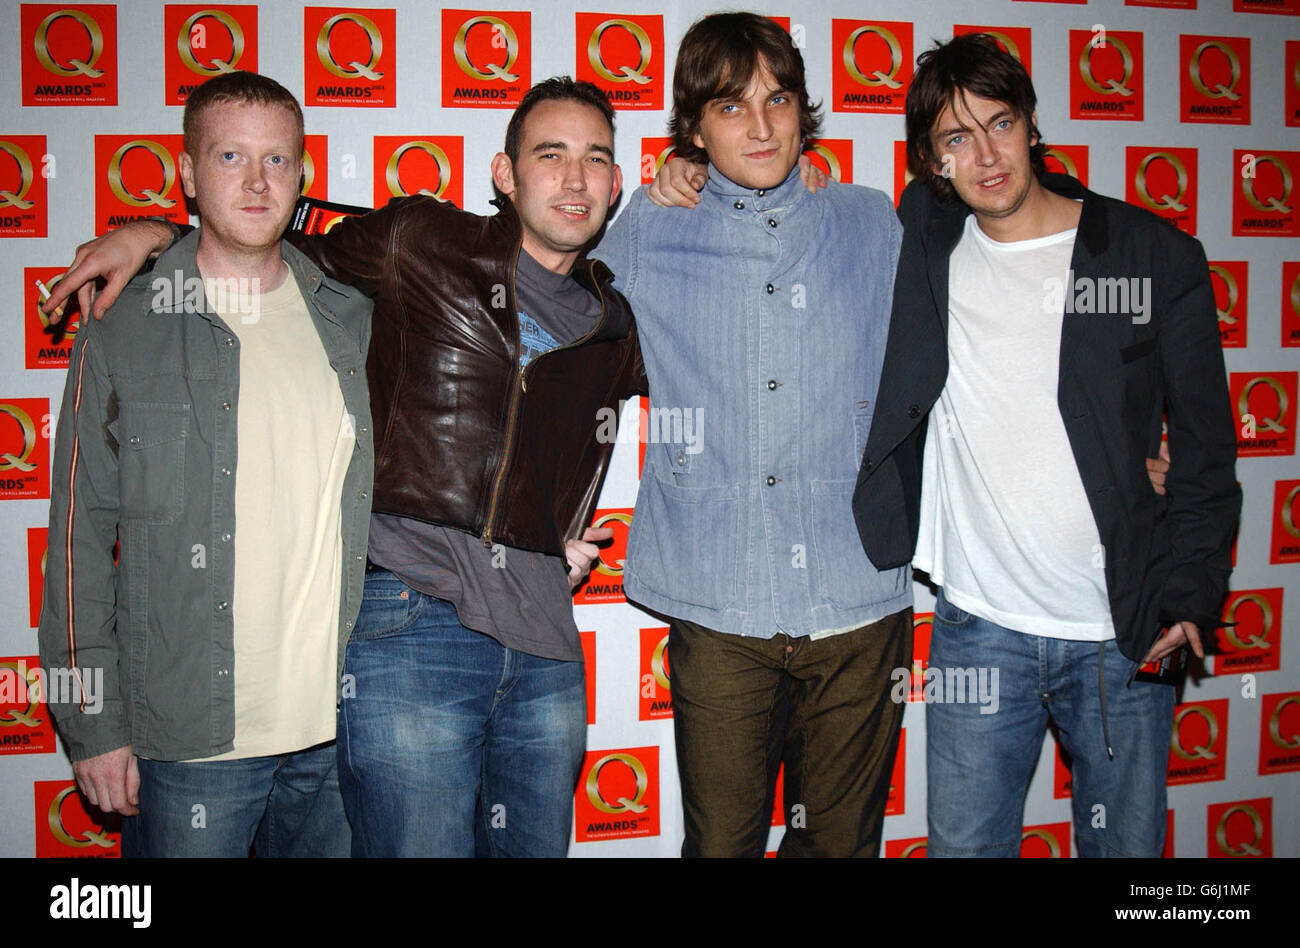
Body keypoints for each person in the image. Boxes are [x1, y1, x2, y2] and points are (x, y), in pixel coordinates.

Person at [40, 77, 641, 857]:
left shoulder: (602, 324)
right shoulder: (413, 247)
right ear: (504, 173)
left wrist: (543, 532)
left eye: (595, 158)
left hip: (404, 687)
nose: (573, 176)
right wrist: (152, 233)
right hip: (326, 667)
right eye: (550, 153)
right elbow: (75, 546)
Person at [853, 34, 1240, 857]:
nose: (986, 156)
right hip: (978, 629)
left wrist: (1189, 595)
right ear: (932, 162)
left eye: (998, 123)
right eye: (956, 139)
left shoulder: (1149, 256)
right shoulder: (928, 236)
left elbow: (1207, 451)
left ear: (1032, 124)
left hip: (1122, 633)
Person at [592, 12, 912, 857]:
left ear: (805, 108)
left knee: (840, 848)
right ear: (693, 127)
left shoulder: (873, 223)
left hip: (856, 598)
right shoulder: (648, 229)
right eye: (731, 107)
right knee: (722, 847)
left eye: (778, 99)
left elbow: (957, 353)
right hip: (718, 599)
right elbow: (560, 358)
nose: (762, 126)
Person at [38, 71, 374, 857]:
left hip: (336, 733)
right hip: (186, 740)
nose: (257, 183)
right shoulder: (123, 329)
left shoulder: (352, 316)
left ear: (302, 175)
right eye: (229, 157)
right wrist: (92, 726)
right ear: (187, 174)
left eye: (277, 161)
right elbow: (76, 542)